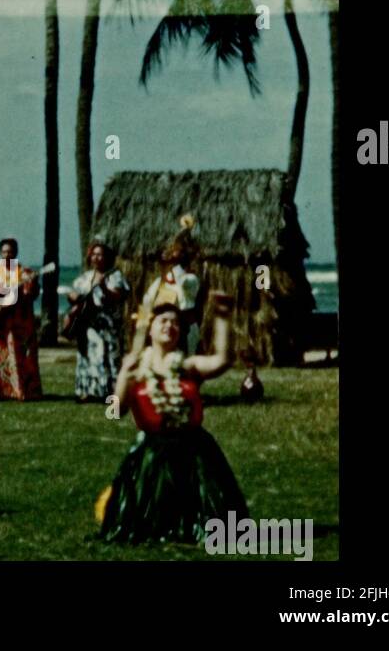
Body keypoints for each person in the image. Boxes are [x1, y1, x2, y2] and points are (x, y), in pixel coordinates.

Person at [95, 290, 248, 544]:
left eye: (175, 322)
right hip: (152, 452)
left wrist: (222, 317)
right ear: (150, 329)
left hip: (194, 449)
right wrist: (123, 375)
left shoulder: (188, 366)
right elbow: (115, 411)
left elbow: (222, 360)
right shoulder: (137, 368)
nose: (170, 326)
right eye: (163, 321)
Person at [0, 238, 42, 401]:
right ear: (0, 253)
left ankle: (23, 391)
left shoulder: (24, 272)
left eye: (10, 251)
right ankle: (0, 391)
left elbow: (31, 296)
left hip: (20, 320)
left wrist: (32, 284)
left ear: (16, 252)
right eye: (4, 251)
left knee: (22, 356)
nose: (7, 255)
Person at [67, 241, 130, 402]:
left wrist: (103, 287)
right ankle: (86, 391)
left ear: (107, 257)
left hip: (107, 325)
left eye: (100, 254)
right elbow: (73, 294)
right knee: (86, 358)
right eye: (93, 254)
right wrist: (72, 296)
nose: (96, 257)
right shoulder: (86, 276)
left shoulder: (115, 276)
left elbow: (117, 296)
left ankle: (108, 391)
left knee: (107, 357)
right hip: (87, 324)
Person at [143, 214, 202, 354]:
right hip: (166, 329)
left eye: (179, 252)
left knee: (185, 363)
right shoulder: (161, 280)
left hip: (186, 327)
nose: (173, 253)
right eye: (173, 250)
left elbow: (181, 283)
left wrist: (179, 244)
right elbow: (147, 300)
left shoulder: (191, 279)